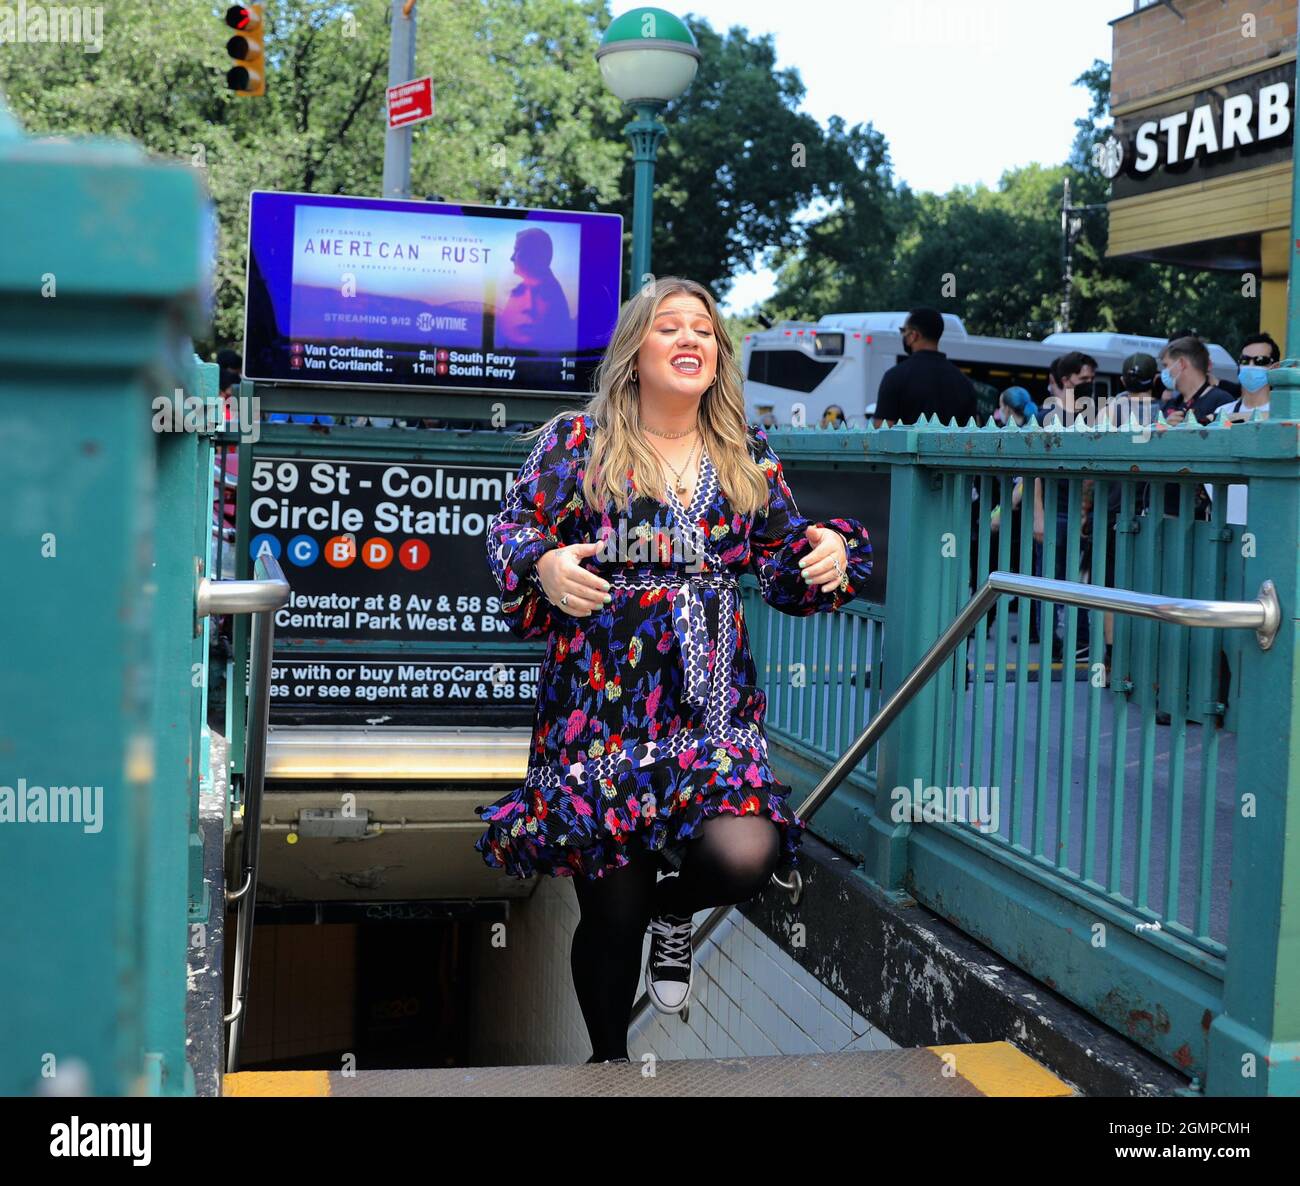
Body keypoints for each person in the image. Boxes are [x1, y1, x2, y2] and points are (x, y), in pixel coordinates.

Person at [472, 277, 873, 1064]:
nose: (691, 339)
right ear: (635, 352)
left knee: (744, 854)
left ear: (718, 356)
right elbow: (507, 532)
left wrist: (828, 551)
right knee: (609, 916)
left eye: (704, 329)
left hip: (712, 714)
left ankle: (674, 907)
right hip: (600, 712)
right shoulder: (576, 444)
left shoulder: (744, 455)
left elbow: (789, 567)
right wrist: (545, 563)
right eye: (669, 328)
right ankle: (609, 1066)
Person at [871, 307, 977, 427]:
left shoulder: (895, 377)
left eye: (903, 331)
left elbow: (883, 430)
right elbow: (970, 435)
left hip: (905, 446)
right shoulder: (964, 383)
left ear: (914, 335)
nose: (903, 335)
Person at [494, 227, 575, 352]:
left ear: (533, 254)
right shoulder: (544, 285)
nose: (512, 257)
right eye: (518, 293)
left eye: (517, 250)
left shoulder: (550, 289)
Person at [1158, 336, 1236, 426]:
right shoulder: (1171, 404)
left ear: (1181, 364)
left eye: (1166, 365)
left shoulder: (1221, 402)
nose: (1163, 372)